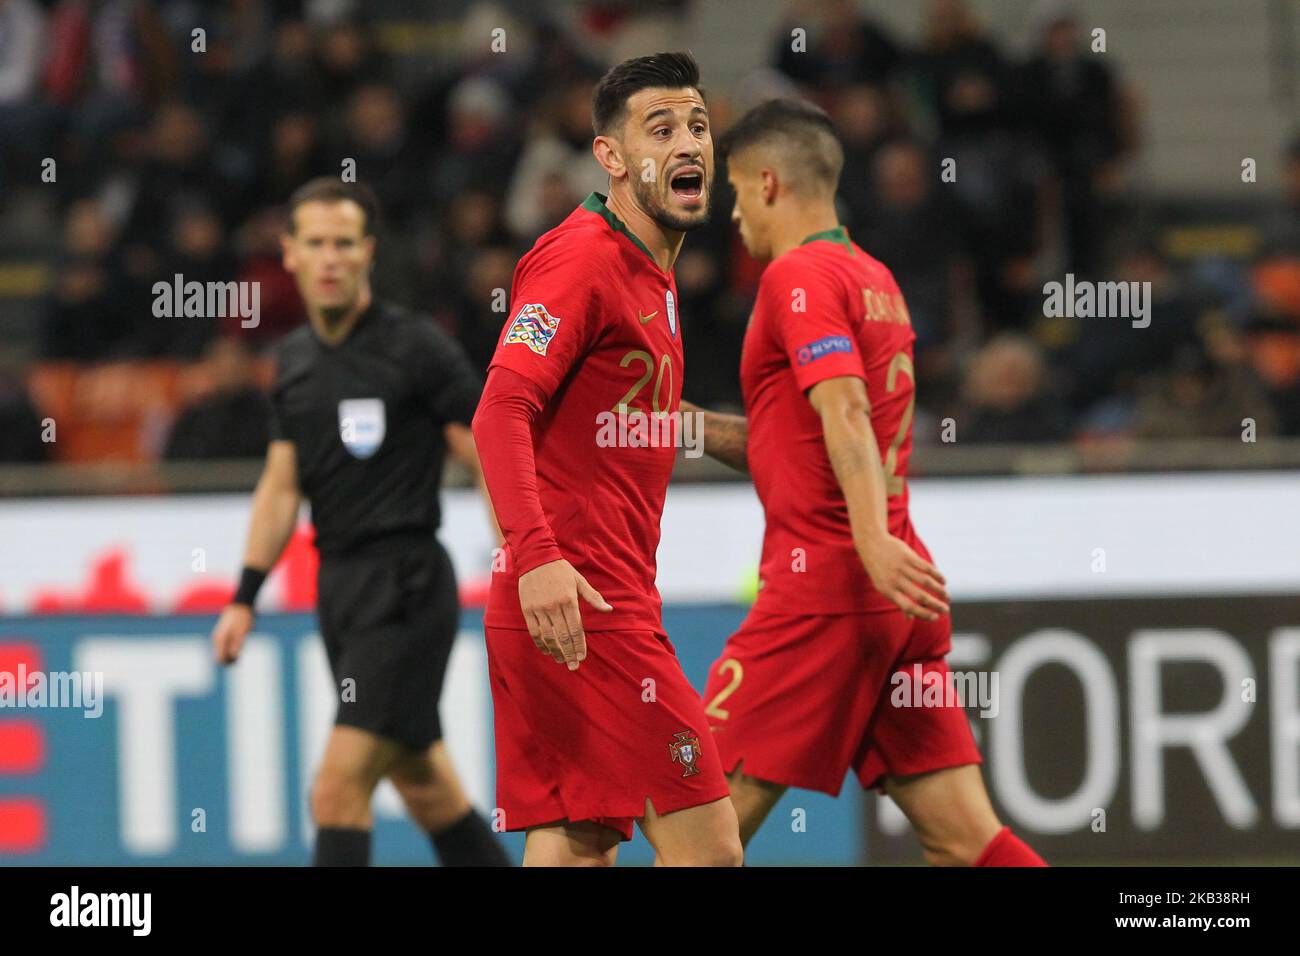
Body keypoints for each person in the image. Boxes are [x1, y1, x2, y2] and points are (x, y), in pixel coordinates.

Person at [685, 99, 1046, 866]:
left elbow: (843, 405)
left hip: (828, 589)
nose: (737, 219)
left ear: (770, 183)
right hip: (894, 601)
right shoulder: (872, 276)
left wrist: (869, 538)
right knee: (967, 843)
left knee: (695, 833)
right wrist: (680, 425)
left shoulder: (797, 276)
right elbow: (800, 442)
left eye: (739, 195)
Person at [470, 52, 743, 867]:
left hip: (575, 600)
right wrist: (540, 559)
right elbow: (498, 411)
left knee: (577, 847)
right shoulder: (583, 259)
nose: (688, 143)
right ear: (613, 157)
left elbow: (645, 417)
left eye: (697, 126)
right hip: (581, 600)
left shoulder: (650, 273)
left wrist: (761, 444)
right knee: (711, 849)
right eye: (661, 130)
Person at [209, 178, 508, 867]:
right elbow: (282, 485)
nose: (330, 258)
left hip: (406, 586)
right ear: (289, 254)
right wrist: (243, 596)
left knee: (335, 788)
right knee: (426, 786)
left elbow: (486, 454)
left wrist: (522, 556)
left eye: (344, 243)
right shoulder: (292, 364)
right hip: (339, 589)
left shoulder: (417, 347)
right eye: (315, 244)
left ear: (368, 252)